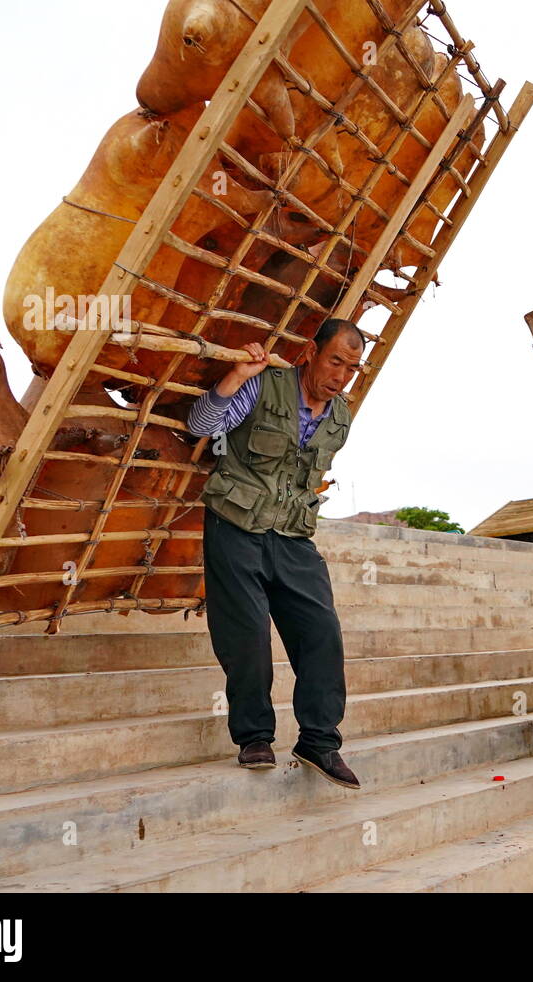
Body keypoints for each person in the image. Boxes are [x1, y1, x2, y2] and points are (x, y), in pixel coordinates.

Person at [186, 318, 365, 788]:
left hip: (292, 536)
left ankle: (319, 740)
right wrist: (238, 376)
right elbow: (200, 425)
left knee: (322, 630)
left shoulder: (341, 417)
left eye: (351, 368)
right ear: (311, 351)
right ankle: (253, 737)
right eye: (335, 361)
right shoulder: (264, 385)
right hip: (235, 526)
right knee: (246, 636)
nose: (341, 375)